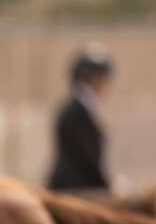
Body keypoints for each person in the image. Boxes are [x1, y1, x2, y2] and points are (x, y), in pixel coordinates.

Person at [46, 44, 114, 192]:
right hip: (74, 189)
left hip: (80, 186)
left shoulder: (80, 109)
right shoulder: (75, 113)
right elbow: (87, 160)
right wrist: (109, 187)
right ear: (93, 78)